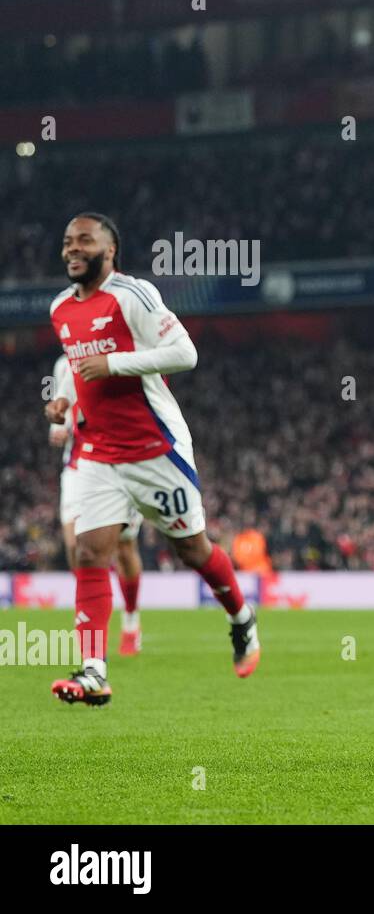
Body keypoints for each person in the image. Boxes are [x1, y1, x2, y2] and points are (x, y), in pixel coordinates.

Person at [46, 212, 260, 706]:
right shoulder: (61, 309)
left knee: (194, 552)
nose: (73, 248)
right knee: (88, 552)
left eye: (85, 240)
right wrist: (63, 401)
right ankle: (94, 670)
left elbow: (185, 354)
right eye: (67, 242)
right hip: (99, 452)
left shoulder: (133, 295)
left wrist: (115, 363)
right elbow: (78, 372)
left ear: (110, 249)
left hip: (155, 449)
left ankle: (241, 618)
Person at [48, 353, 146, 655]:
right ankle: (89, 620)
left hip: (119, 464)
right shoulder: (63, 365)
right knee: (75, 547)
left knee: (125, 548)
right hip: (77, 466)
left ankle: (130, 621)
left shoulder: (125, 357)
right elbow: (57, 411)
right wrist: (57, 427)